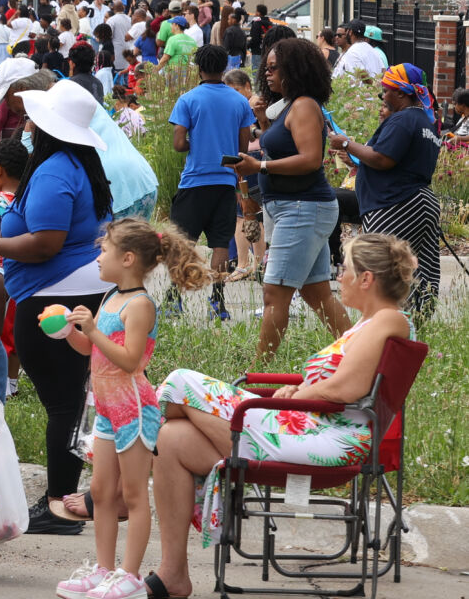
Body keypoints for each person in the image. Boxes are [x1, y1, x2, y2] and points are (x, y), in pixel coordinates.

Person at [146, 234, 418, 599]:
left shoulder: (388, 320)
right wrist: (297, 391)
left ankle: (115, 487)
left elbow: (344, 389)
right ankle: (173, 573)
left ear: (367, 279)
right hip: (307, 425)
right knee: (172, 438)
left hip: (326, 439)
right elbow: (332, 386)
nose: (339, 276)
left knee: (179, 381)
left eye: (346, 269)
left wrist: (296, 396)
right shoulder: (368, 324)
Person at [52, 220, 211, 599]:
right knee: (102, 493)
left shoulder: (140, 304)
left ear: (127, 259)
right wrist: (69, 331)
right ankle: (104, 570)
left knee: (135, 495)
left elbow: (129, 360)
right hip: (106, 409)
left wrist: (92, 331)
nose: (98, 257)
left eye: (103, 250)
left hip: (135, 411)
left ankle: (130, 575)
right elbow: (94, 353)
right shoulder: (110, 296)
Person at [0, 79, 112, 536]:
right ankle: (66, 500)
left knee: (63, 404)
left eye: (31, 119)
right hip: (68, 290)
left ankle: (60, 507)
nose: (25, 125)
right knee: (68, 401)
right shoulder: (75, 163)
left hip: (55, 294)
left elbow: (44, 243)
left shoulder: (54, 170)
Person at [230, 37, 351, 362]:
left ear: (295, 70)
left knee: (274, 293)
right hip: (293, 209)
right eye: (266, 68)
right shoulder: (289, 106)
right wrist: (263, 125)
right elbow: (283, 144)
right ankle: (357, 355)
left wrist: (261, 165)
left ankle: (258, 374)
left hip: (303, 208)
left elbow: (311, 159)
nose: (267, 74)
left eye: (275, 68)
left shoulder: (304, 106)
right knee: (317, 295)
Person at [330, 64, 444, 313]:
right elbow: (397, 163)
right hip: (418, 202)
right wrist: (358, 161)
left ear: (401, 94)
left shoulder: (402, 119)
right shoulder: (424, 120)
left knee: (382, 269)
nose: (383, 97)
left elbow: (383, 159)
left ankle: (386, 325)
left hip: (395, 204)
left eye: (386, 91)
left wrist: (347, 143)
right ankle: (416, 325)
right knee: (416, 270)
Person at [168, 43, 254, 317]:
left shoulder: (188, 99)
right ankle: (217, 301)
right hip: (225, 183)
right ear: (224, 68)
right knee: (219, 243)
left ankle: (173, 299)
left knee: (184, 243)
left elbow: (179, 144)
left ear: (199, 68)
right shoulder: (239, 101)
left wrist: (197, 142)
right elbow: (242, 148)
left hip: (194, 182)